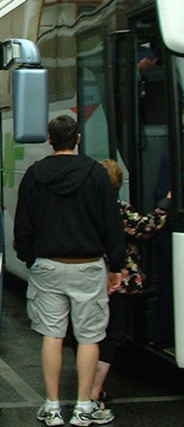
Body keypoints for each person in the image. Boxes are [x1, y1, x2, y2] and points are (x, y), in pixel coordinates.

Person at [14, 115, 125, 427]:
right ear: (77, 139)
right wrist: (115, 265)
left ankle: (51, 407)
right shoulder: (95, 174)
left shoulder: (35, 175)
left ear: (50, 140)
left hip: (47, 266)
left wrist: (28, 257)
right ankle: (83, 408)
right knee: (90, 337)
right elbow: (111, 224)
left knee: (53, 335)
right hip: (88, 267)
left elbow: (24, 223)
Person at [90, 159, 170, 406]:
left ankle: (90, 387)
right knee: (112, 335)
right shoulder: (118, 208)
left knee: (93, 333)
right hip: (118, 282)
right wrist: (165, 203)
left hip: (90, 279)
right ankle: (94, 391)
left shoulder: (88, 208)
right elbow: (147, 228)